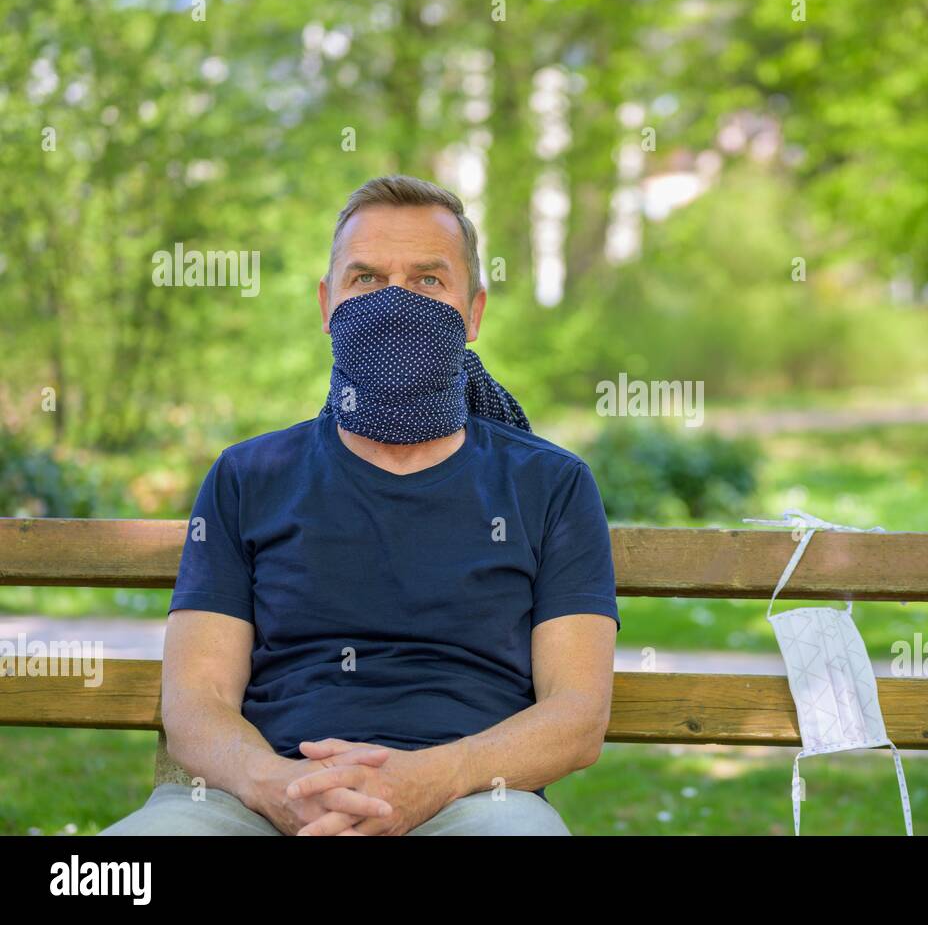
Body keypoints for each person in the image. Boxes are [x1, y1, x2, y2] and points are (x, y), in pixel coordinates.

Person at [101, 176, 620, 836]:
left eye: (429, 280)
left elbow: (577, 718)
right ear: (326, 304)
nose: (397, 301)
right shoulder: (248, 476)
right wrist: (277, 786)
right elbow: (196, 703)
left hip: (473, 801)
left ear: (475, 311)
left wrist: (428, 781)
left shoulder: (550, 485)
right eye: (366, 278)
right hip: (253, 799)